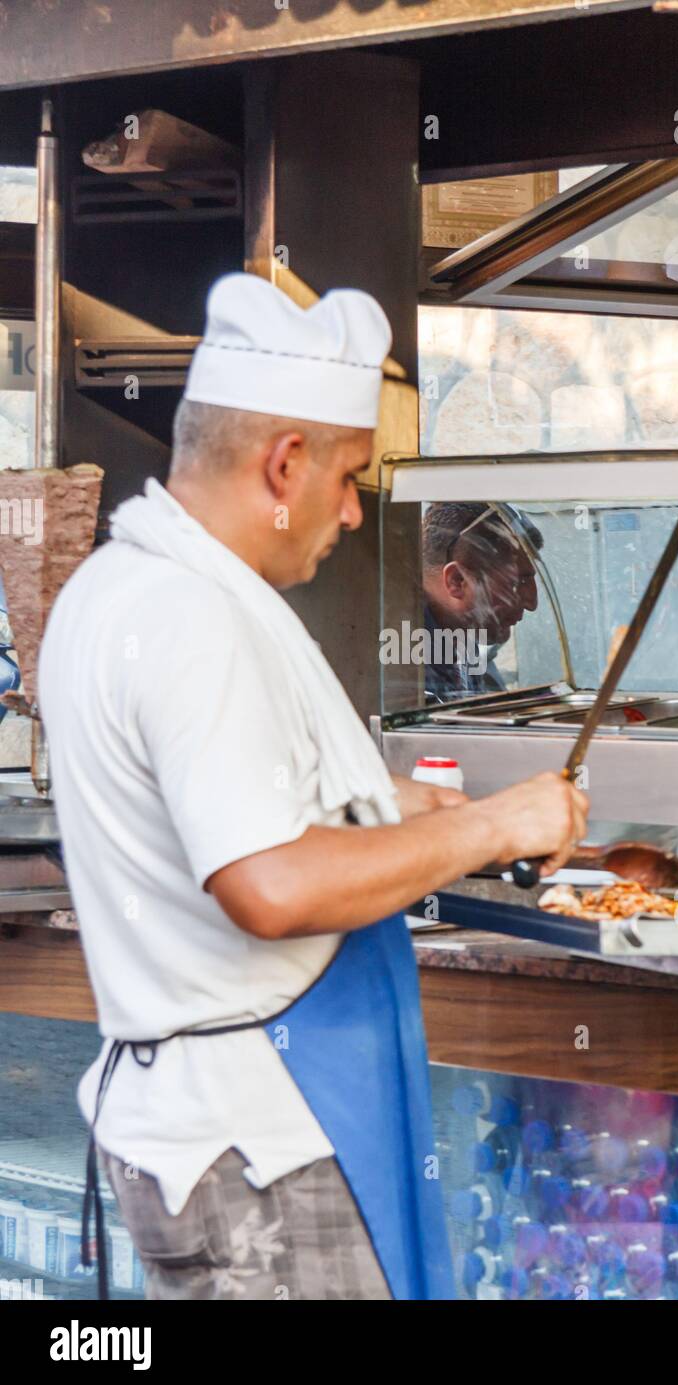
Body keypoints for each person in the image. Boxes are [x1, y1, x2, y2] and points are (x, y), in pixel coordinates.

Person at [38, 273, 588, 1302]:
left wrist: (382, 807)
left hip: (209, 1134)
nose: (349, 510)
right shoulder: (191, 614)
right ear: (282, 462)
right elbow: (271, 885)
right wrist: (493, 824)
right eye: (345, 475)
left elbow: (215, 796)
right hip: (261, 1155)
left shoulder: (123, 585)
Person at [421, 501, 541, 701]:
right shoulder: (402, 664)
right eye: (518, 581)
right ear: (457, 580)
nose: (532, 602)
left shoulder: (463, 636)